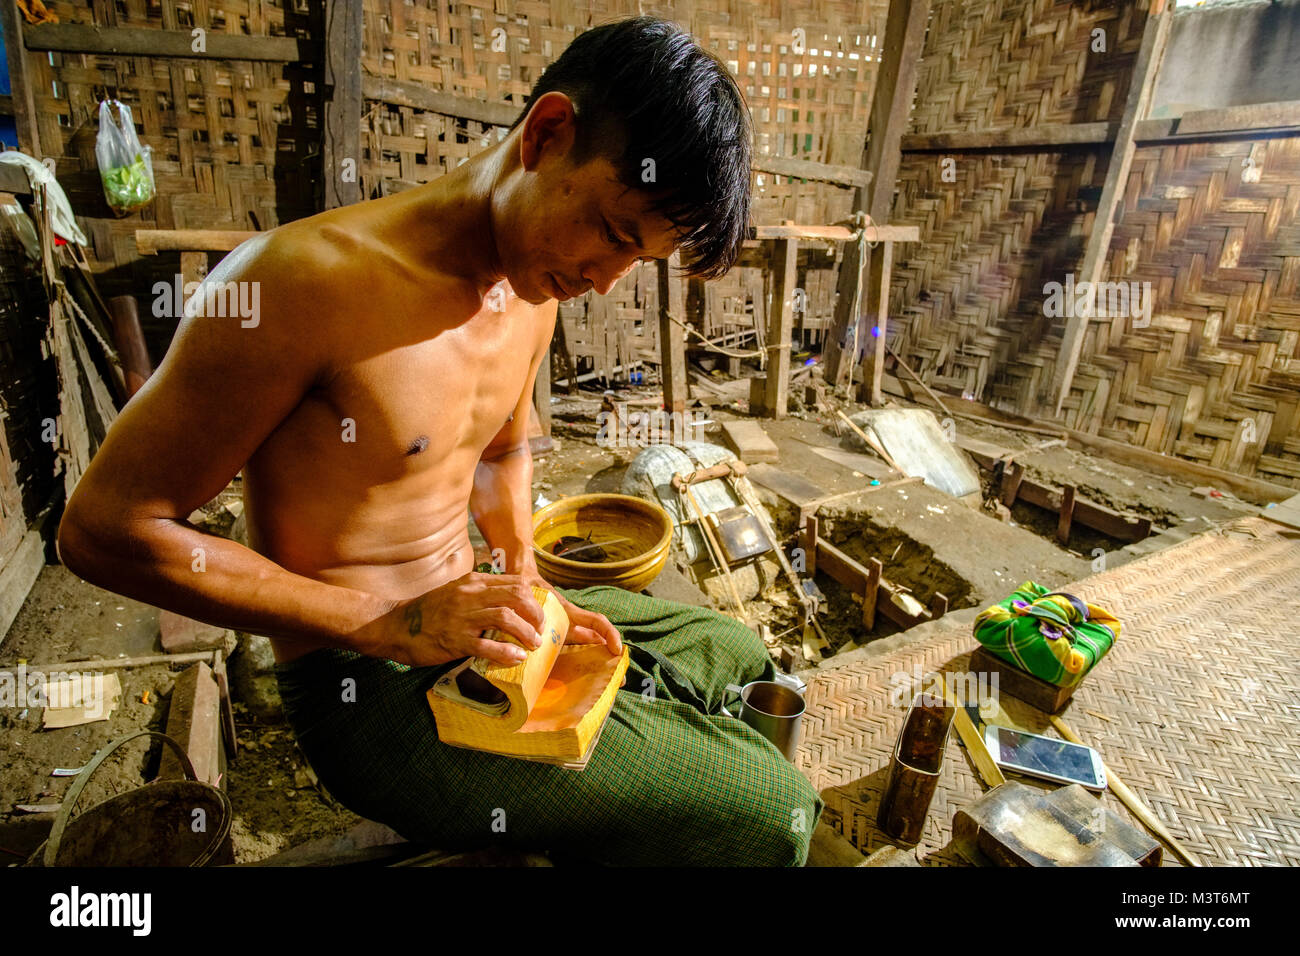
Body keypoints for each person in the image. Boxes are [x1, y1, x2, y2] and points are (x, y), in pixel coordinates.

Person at [57, 16, 823, 865]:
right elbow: (105, 529)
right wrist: (389, 622)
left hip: (467, 619)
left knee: (734, 652)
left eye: (637, 261)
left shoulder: (534, 290)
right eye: (613, 232)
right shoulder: (297, 285)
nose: (608, 281)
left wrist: (528, 582)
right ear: (548, 132)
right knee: (773, 811)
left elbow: (500, 450)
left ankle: (635, 787)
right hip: (369, 688)